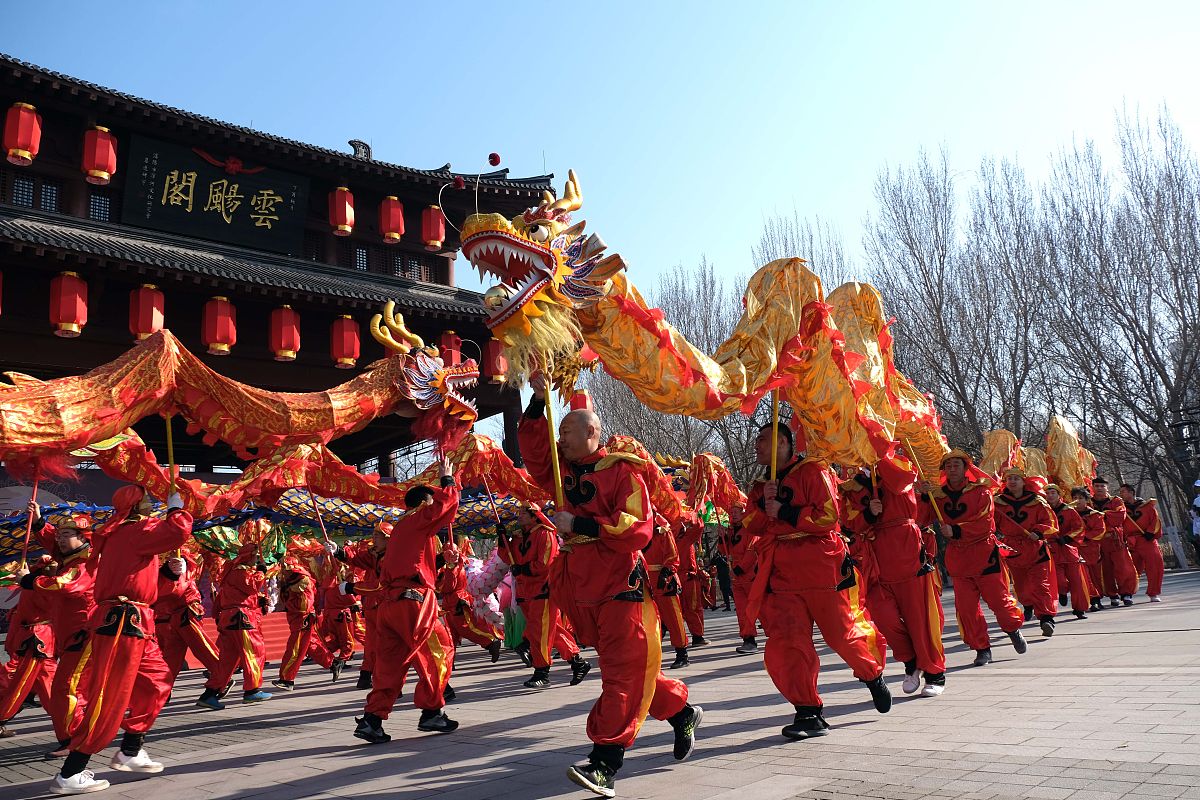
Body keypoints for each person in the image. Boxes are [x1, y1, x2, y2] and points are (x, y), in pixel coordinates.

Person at [519, 377, 701, 799]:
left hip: (622, 586)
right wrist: (537, 404)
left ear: (592, 433)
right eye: (559, 431)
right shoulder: (564, 475)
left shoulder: (622, 471)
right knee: (630, 670)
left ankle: (605, 762)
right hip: (583, 588)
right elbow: (535, 453)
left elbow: (638, 528)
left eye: (566, 431)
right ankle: (681, 711)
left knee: (621, 675)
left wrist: (581, 524)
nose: (560, 438)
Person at [741, 423, 891, 740]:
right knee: (787, 642)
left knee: (841, 635)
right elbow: (750, 524)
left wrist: (784, 510)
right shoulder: (760, 485)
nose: (756, 446)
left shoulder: (813, 470)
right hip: (781, 574)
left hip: (821, 567)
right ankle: (808, 711)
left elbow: (828, 516)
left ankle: (871, 674)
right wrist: (762, 506)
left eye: (762, 440)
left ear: (783, 442)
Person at [48, 484, 192, 795]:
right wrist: (176, 509)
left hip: (136, 620)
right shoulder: (134, 530)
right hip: (122, 623)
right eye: (148, 500)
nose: (153, 503)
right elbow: (179, 532)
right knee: (109, 697)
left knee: (157, 682)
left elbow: (149, 589)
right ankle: (73, 771)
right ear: (134, 505)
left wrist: (167, 573)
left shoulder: (124, 534)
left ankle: (131, 748)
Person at [351, 457, 459, 744]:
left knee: (389, 667)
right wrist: (447, 480)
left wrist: (440, 561)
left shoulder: (402, 529)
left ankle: (372, 720)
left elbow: (413, 564)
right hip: (413, 604)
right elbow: (446, 506)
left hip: (391, 605)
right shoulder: (417, 519)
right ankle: (432, 711)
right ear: (423, 503)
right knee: (440, 651)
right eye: (429, 500)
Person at [847, 453, 946, 697]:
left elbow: (903, 481)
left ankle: (934, 672)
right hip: (875, 561)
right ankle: (910, 660)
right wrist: (869, 514)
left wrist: (880, 455)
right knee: (882, 617)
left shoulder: (899, 465)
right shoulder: (854, 485)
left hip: (907, 552)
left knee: (919, 617)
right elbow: (849, 521)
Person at [921, 451, 1026, 667]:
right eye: (948, 465)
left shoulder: (981, 491)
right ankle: (981, 648)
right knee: (966, 609)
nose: (952, 469)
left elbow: (986, 522)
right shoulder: (937, 496)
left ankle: (1012, 628)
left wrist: (957, 530)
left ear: (965, 467)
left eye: (956, 464)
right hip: (958, 558)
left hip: (984, 553)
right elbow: (921, 518)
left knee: (999, 601)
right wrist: (923, 497)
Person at [25, 506, 98, 758]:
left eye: (66, 534)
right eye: (59, 534)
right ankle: (75, 736)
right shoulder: (68, 556)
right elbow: (53, 545)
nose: (60, 538)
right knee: (68, 688)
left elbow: (68, 586)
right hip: (69, 637)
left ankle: (74, 740)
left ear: (83, 536)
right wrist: (39, 523)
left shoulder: (87, 561)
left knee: (67, 687)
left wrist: (31, 580)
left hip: (84, 634)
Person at [498, 504, 591, 688]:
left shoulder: (545, 534)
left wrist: (523, 569)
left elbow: (545, 563)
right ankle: (578, 662)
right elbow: (509, 558)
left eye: (524, 513)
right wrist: (502, 540)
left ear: (535, 516)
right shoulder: (518, 537)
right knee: (551, 630)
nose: (520, 516)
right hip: (526, 591)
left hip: (543, 590)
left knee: (539, 631)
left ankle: (542, 671)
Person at [195, 526, 273, 711]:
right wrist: (262, 573)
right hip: (242, 619)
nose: (257, 559)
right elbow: (251, 586)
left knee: (228, 660)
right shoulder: (241, 571)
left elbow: (235, 596)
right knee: (254, 651)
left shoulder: (232, 572)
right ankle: (252, 690)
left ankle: (210, 694)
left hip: (230, 619)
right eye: (255, 556)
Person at [993, 468, 1059, 638]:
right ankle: (1027, 604)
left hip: (1035, 547)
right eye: (1009, 479)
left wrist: (1038, 531)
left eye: (1016, 478)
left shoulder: (1037, 501)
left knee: (1040, 584)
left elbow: (1050, 521)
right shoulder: (997, 503)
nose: (1012, 481)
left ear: (1024, 481)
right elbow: (991, 523)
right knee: (1021, 586)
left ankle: (1046, 618)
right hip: (1012, 549)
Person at [0, 556, 57, 731]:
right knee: (19, 682)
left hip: (37, 640)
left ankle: (67, 723)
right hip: (37, 639)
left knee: (46, 684)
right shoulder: (40, 589)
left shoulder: (32, 586)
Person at [152, 546, 221, 690]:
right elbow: (173, 590)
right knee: (189, 650)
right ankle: (220, 677)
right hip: (178, 615)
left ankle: (162, 689)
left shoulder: (183, 564)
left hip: (180, 614)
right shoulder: (179, 565)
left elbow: (175, 588)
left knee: (180, 653)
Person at [273, 557, 344, 690]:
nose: (283, 571)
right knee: (311, 645)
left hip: (303, 618)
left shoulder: (303, 580)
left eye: (285, 568)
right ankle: (333, 663)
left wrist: (288, 598)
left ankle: (287, 679)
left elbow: (304, 605)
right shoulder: (290, 580)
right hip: (296, 618)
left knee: (295, 648)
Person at [435, 542, 503, 661]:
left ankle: (490, 642)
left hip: (457, 600)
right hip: (449, 602)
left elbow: (449, 585)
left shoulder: (456, 564)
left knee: (466, 629)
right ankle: (448, 659)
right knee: (451, 633)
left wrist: (447, 570)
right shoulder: (451, 564)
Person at [643, 514, 691, 669]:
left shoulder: (664, 532)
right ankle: (652, 654)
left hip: (664, 581)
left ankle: (682, 653)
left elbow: (672, 556)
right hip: (646, 581)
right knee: (651, 620)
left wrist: (666, 572)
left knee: (673, 618)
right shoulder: (640, 533)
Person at [1045, 485, 1090, 619]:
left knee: (1076, 581)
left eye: (1053, 493)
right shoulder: (1043, 510)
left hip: (1068, 549)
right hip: (1052, 550)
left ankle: (1079, 609)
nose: (1050, 496)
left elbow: (1079, 527)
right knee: (1058, 580)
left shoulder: (1069, 510)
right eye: (1047, 493)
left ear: (1059, 495)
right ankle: (1063, 592)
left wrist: (1067, 537)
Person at [721, 505, 761, 653]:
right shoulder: (731, 531)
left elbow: (752, 551)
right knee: (742, 610)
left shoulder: (751, 529)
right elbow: (723, 550)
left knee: (761, 608)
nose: (734, 515)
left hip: (750, 575)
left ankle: (780, 635)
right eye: (732, 512)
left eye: (737, 512)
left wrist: (739, 569)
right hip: (736, 576)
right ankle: (749, 640)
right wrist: (722, 538)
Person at [1092, 478, 1137, 606]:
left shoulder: (1116, 501)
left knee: (1123, 567)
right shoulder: (1089, 502)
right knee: (1105, 570)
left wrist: (1102, 515)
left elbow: (1119, 516)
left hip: (1115, 540)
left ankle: (1126, 593)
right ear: (1093, 487)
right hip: (1098, 541)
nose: (1099, 488)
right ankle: (1112, 594)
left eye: (1102, 486)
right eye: (1097, 486)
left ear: (1107, 487)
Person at [1118, 484, 1165, 602]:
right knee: (1130, 568)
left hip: (1147, 539)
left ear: (1131, 492)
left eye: (1123, 491)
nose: (1121, 494)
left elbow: (1155, 520)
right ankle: (1127, 592)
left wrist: (1150, 532)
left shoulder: (1147, 506)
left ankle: (1153, 593)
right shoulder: (1121, 509)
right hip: (1131, 541)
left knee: (1155, 565)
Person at [1072, 488, 1108, 612]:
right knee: (1084, 576)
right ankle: (1092, 599)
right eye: (1075, 498)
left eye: (1081, 498)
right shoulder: (1070, 514)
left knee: (1095, 575)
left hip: (1091, 549)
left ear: (1087, 500)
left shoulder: (1095, 515)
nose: (1077, 501)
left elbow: (1099, 531)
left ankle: (1097, 598)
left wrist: (1084, 536)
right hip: (1076, 550)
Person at [675, 516, 708, 647]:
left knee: (679, 610)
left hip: (676, 579)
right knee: (693, 608)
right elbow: (699, 527)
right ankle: (697, 636)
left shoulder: (668, 539)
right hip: (687, 578)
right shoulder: (685, 539)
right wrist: (693, 516)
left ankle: (680, 637)